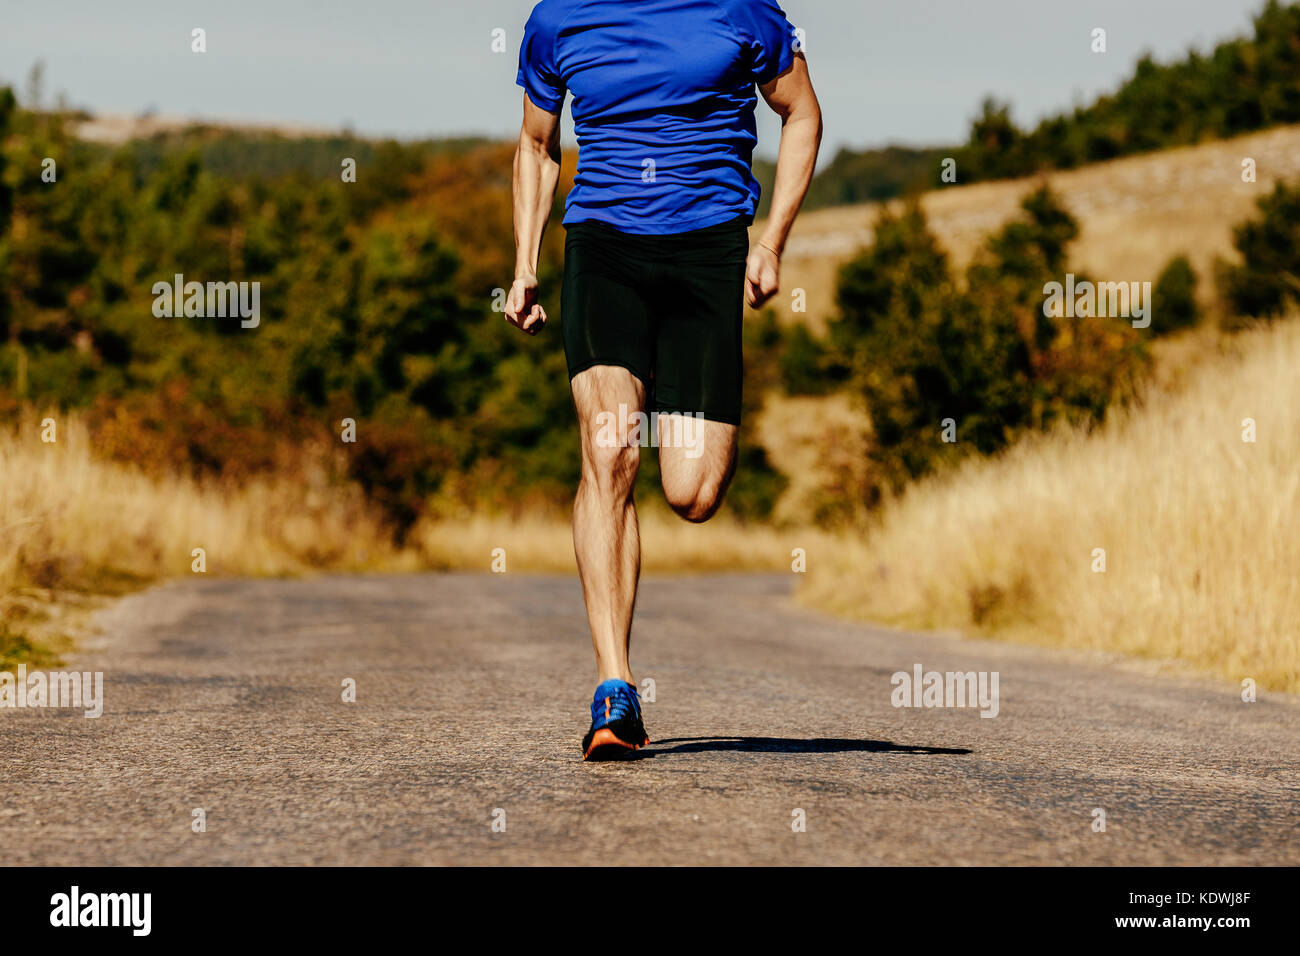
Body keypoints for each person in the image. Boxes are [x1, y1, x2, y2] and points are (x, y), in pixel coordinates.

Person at [506, 0, 822, 760]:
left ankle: (674, 492)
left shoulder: (744, 12)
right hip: (604, 248)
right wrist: (525, 262)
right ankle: (615, 687)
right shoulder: (560, 18)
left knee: (693, 493)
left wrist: (772, 240)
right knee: (609, 448)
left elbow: (802, 115)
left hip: (708, 252)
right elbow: (537, 144)